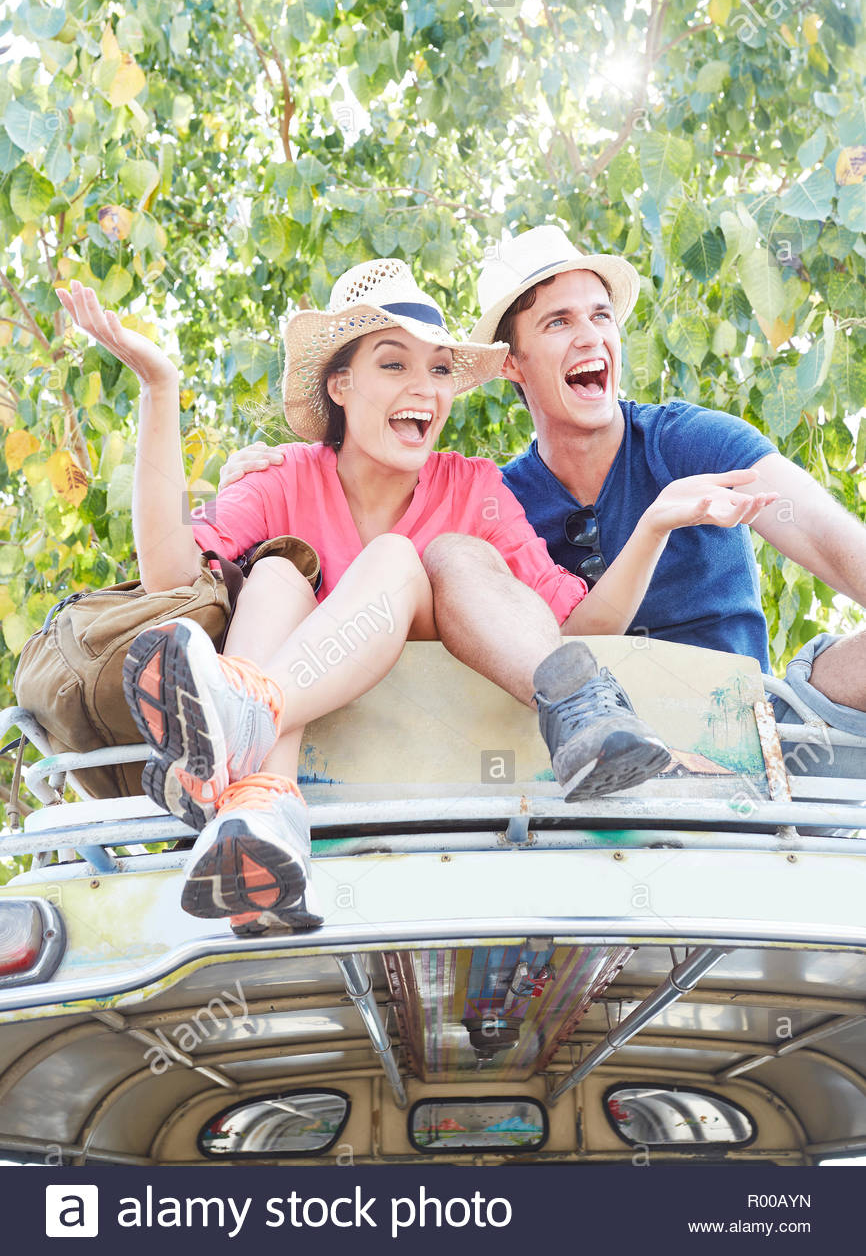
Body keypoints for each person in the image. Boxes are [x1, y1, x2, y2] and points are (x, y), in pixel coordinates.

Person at [57, 258, 772, 934]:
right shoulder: (282, 479)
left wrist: (652, 525)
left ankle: (248, 717)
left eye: (438, 370)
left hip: (446, 749)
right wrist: (159, 387)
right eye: (393, 364)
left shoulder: (471, 488)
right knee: (276, 573)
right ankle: (260, 812)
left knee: (414, 556)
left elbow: (576, 624)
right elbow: (169, 577)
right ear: (340, 386)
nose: (424, 388)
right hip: (331, 771)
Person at [225, 228, 866, 771]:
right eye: (558, 321)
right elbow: (405, 607)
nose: (589, 336)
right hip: (555, 760)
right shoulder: (500, 502)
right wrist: (254, 483)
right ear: (512, 363)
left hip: (738, 724)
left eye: (600, 315)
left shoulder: (691, 441)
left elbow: (827, 542)